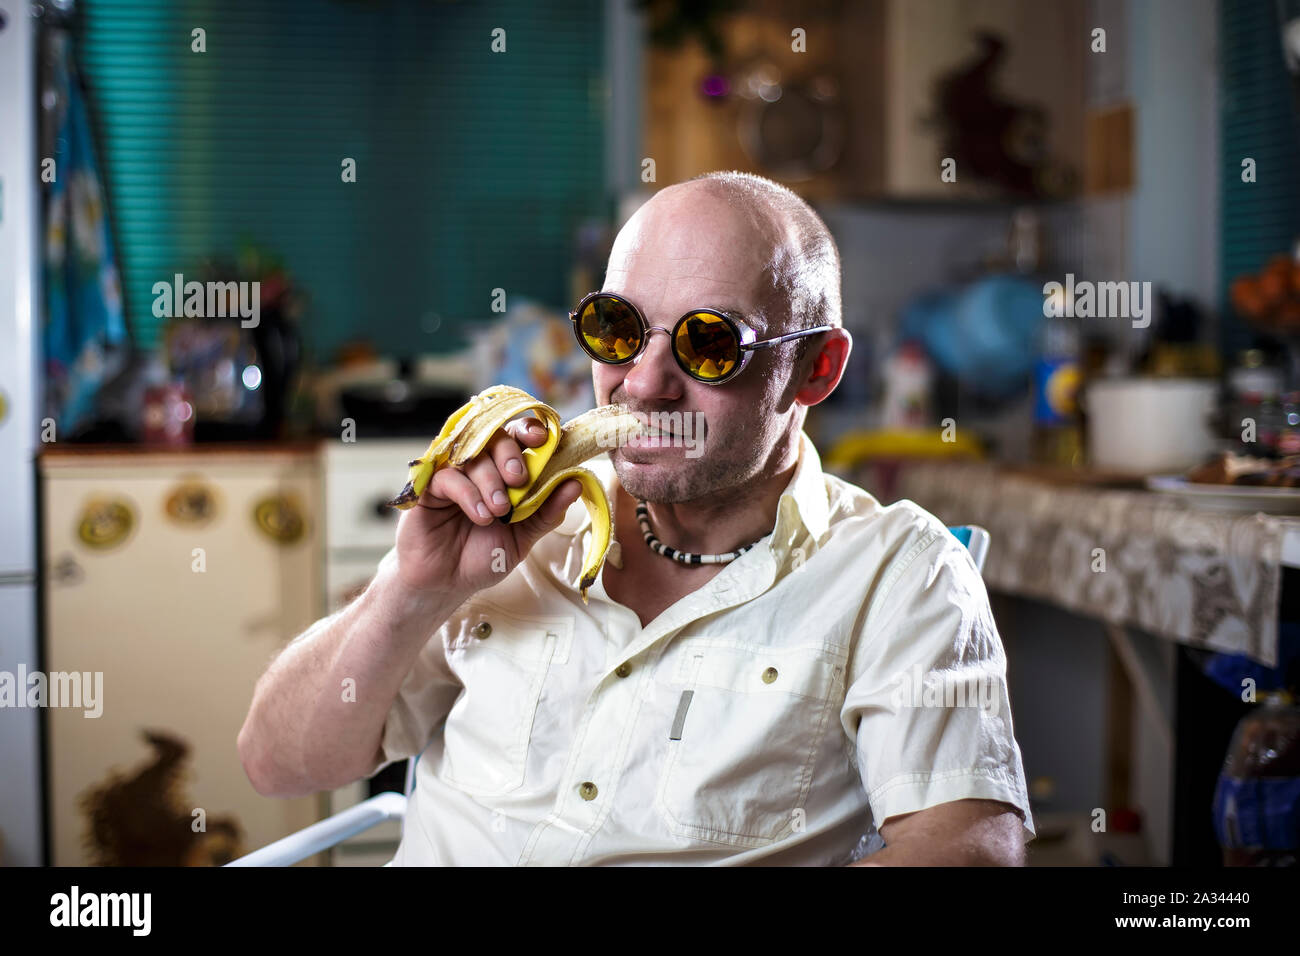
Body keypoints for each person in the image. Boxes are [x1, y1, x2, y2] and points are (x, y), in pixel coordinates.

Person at [237, 171, 1035, 865]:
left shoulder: (899, 574)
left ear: (814, 368)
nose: (643, 384)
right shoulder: (512, 525)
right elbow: (275, 763)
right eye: (617, 330)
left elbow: (965, 847)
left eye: (711, 344)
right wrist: (414, 591)